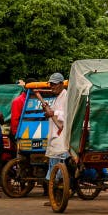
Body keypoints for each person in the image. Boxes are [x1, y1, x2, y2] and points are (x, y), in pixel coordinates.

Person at [38, 73, 68, 206]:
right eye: (51, 84)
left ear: (62, 84)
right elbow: (55, 114)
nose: (52, 87)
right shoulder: (58, 98)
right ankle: (54, 197)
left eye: (55, 84)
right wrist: (49, 113)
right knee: (54, 167)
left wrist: (53, 113)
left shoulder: (66, 97)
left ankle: (57, 197)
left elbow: (67, 115)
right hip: (55, 138)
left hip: (61, 138)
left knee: (58, 170)